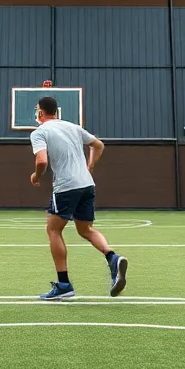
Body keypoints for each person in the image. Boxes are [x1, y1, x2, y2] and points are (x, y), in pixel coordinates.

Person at [29, 96, 127, 300]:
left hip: (66, 186)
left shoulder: (39, 132)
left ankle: (64, 284)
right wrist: (90, 166)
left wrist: (36, 176)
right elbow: (98, 145)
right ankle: (112, 257)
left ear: (40, 112)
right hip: (87, 184)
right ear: (57, 111)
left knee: (53, 229)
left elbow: (41, 161)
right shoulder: (73, 127)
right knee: (85, 229)